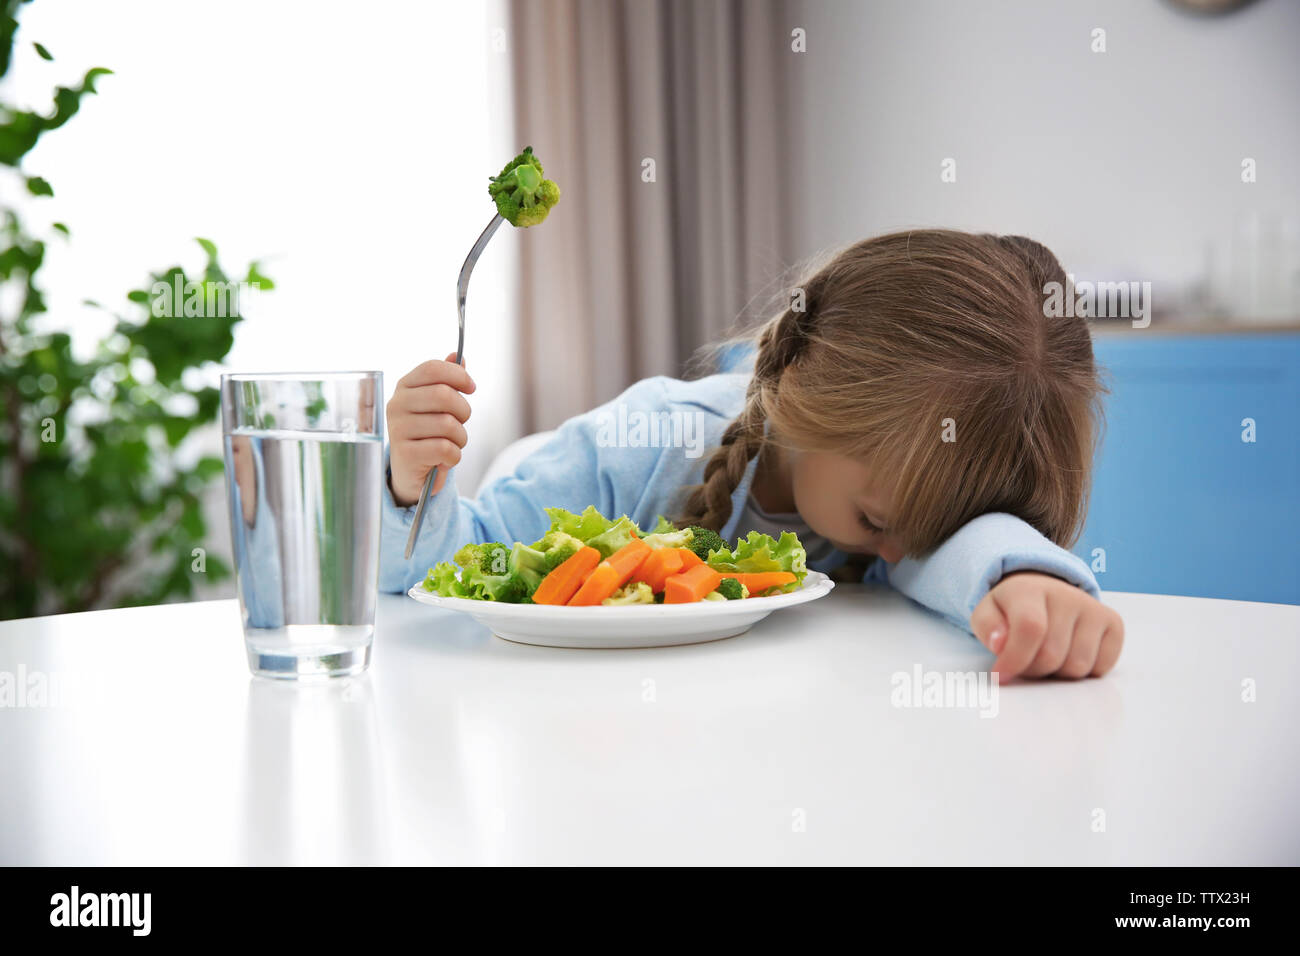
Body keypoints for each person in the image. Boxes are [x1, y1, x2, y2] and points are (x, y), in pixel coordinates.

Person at [380, 230, 1124, 680]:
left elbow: (943, 556)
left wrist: (1020, 574)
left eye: (927, 536)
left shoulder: (906, 521)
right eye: (876, 520)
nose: (899, 550)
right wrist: (409, 486)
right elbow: (445, 572)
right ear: (811, 399)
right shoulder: (647, 446)